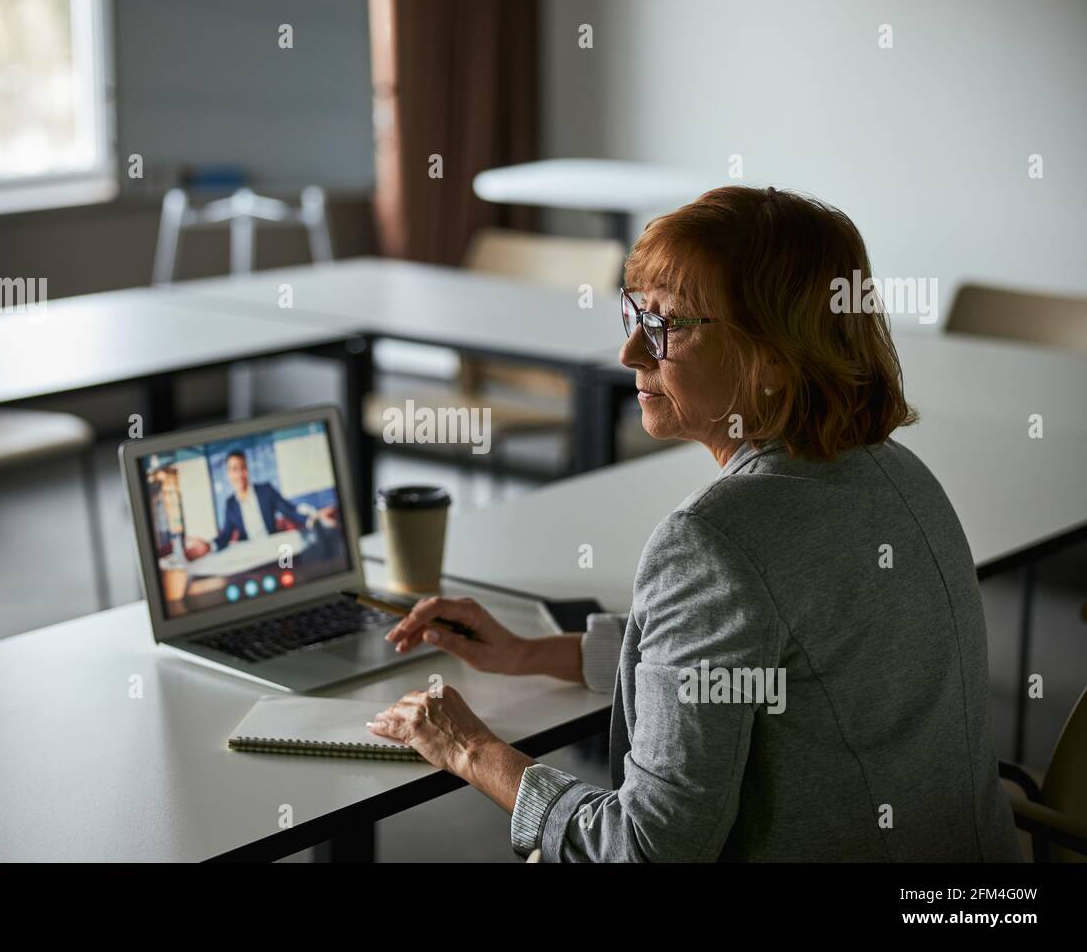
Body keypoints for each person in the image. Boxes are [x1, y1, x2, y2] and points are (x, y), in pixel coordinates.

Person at [368, 186, 1022, 862]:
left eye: (668, 324)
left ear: (772, 357)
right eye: (637, 314)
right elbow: (738, 655)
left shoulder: (715, 541)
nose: (629, 352)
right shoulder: (898, 472)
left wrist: (470, 750)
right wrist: (527, 654)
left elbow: (647, 849)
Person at [183, 449, 331, 558]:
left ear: (247, 470)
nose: (240, 474)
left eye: (243, 468)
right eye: (235, 469)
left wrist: (313, 519)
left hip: (273, 546)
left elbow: (289, 511)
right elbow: (226, 535)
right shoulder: (230, 504)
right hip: (250, 553)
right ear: (228, 474)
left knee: (293, 559)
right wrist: (208, 546)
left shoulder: (266, 490)